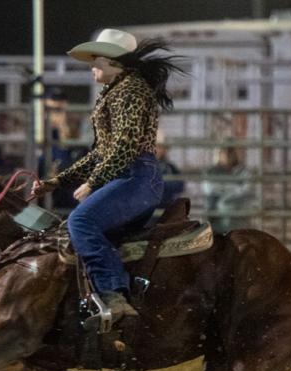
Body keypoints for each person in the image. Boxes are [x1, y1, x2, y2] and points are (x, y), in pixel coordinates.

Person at [31, 29, 184, 323]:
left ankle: (113, 294)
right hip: (134, 178)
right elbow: (102, 152)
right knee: (101, 234)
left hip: (135, 178)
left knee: (81, 222)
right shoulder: (121, 90)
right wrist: (59, 181)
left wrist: (93, 181)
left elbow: (124, 146)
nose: (92, 66)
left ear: (115, 62)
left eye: (97, 61)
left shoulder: (131, 92)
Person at [201, 144, 255, 233]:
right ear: (218, 154)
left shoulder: (244, 172)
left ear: (235, 154)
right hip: (215, 217)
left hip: (238, 214)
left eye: (230, 151)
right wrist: (235, 189)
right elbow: (209, 189)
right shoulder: (211, 171)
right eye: (223, 151)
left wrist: (223, 193)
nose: (227, 155)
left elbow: (247, 189)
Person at [155, 129, 185, 208]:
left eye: (161, 147)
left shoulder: (170, 167)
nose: (158, 150)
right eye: (157, 147)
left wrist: (161, 184)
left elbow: (181, 185)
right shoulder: (145, 166)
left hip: (165, 206)